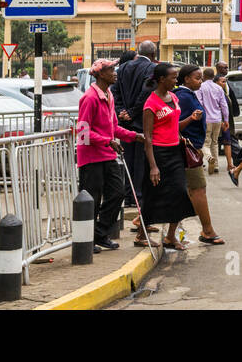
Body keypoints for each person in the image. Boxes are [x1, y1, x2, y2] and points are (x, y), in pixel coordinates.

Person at [75, 60, 143, 252]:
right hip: (91, 157)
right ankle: (87, 240)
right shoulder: (90, 98)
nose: (115, 73)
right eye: (110, 70)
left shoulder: (109, 94)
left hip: (107, 154)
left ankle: (99, 233)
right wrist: (107, 141)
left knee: (117, 194)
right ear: (99, 74)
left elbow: (114, 127)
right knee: (93, 200)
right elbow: (82, 132)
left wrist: (135, 136)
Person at [141, 62, 197, 251]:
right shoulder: (151, 103)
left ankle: (171, 236)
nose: (176, 80)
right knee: (154, 195)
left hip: (175, 152)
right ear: (161, 79)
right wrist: (153, 166)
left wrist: (190, 119)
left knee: (180, 193)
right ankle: (142, 233)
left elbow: (175, 126)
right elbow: (147, 137)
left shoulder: (173, 97)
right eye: (173, 77)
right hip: (157, 153)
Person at [174, 64, 224, 245]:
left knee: (183, 193)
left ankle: (171, 234)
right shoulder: (184, 97)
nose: (201, 81)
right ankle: (208, 230)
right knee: (198, 190)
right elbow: (176, 124)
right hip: (187, 150)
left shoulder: (188, 95)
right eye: (197, 78)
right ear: (186, 78)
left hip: (192, 149)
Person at [115, 41, 158, 233]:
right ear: (153, 53)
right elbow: (147, 92)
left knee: (127, 159)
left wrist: (121, 111)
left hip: (125, 122)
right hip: (142, 121)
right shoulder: (151, 68)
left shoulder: (122, 67)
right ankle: (138, 196)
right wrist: (132, 112)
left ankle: (128, 196)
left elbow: (114, 92)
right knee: (141, 160)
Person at [198, 66, 230, 175]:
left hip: (206, 119)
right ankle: (216, 165)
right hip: (217, 119)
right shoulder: (218, 88)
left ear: (204, 76)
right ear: (213, 76)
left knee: (205, 142)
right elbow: (224, 105)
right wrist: (226, 119)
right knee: (215, 142)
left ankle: (209, 157)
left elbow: (199, 103)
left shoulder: (201, 87)